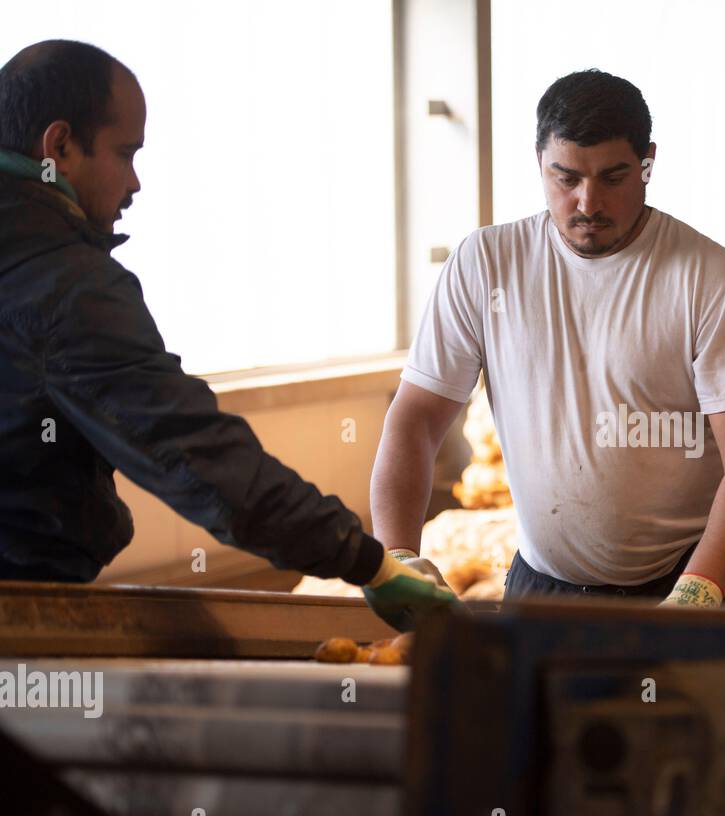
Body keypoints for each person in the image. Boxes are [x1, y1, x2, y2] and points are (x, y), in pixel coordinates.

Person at [0, 39, 449, 630]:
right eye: (125, 152)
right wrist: (370, 564)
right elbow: (195, 453)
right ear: (59, 146)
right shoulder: (63, 282)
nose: (135, 184)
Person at [371, 69, 725, 609]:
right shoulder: (487, 264)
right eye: (565, 179)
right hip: (542, 589)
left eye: (612, 178)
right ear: (538, 163)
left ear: (647, 164)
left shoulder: (710, 278)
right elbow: (416, 419)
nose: (588, 203)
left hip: (690, 580)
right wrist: (396, 558)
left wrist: (698, 595)